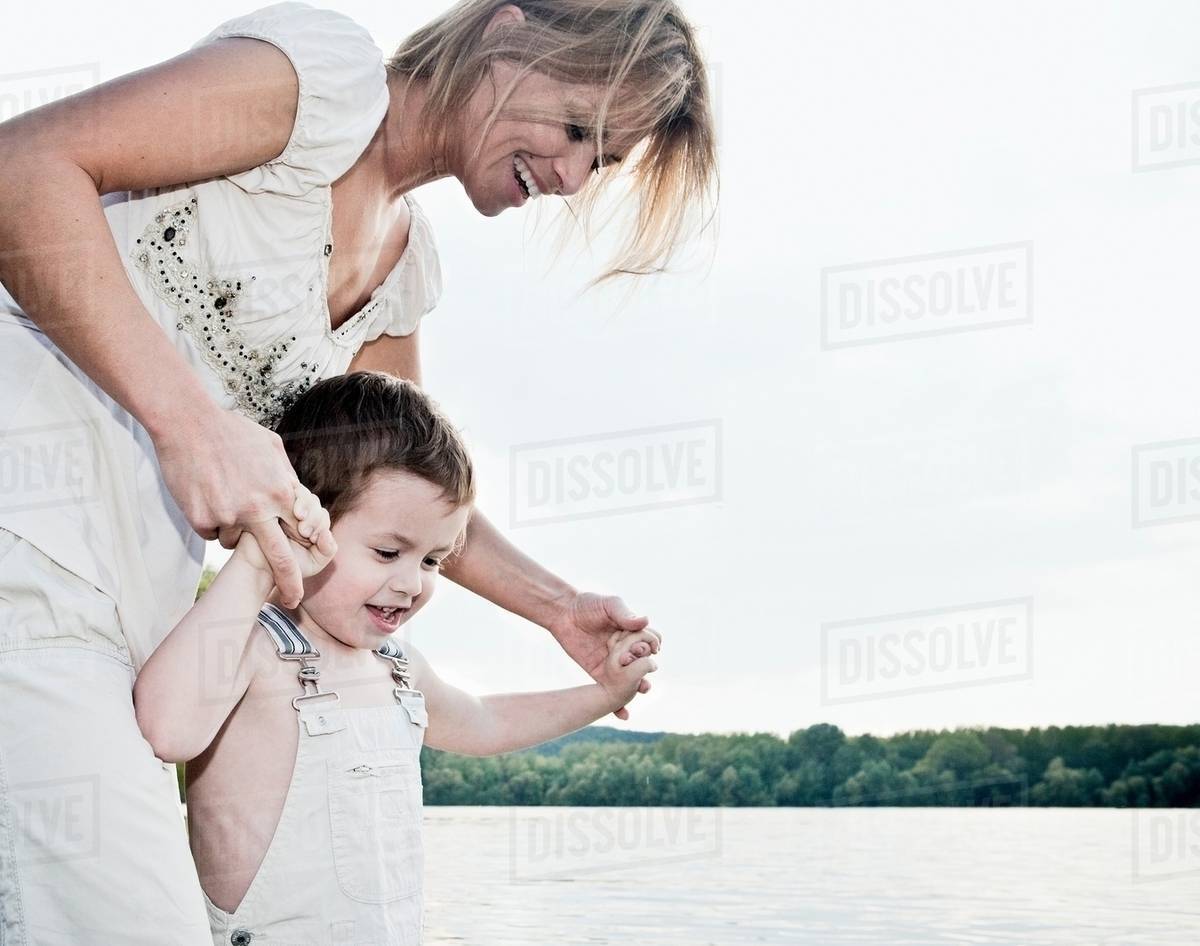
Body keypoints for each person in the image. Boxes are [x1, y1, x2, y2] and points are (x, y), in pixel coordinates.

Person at [0, 1, 712, 940]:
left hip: (134, 620)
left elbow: (412, 496)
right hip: (28, 544)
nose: (577, 175)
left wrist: (556, 608)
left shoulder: (403, 266)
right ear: (509, 36)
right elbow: (20, 170)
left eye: (605, 157)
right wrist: (192, 425)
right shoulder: (326, 80)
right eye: (579, 127)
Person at [134, 371, 660, 944]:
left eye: (434, 560)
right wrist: (257, 564)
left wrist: (602, 695)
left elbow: (484, 721)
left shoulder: (395, 666)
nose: (411, 583)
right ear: (302, 523)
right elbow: (166, 729)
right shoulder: (252, 644)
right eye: (388, 552)